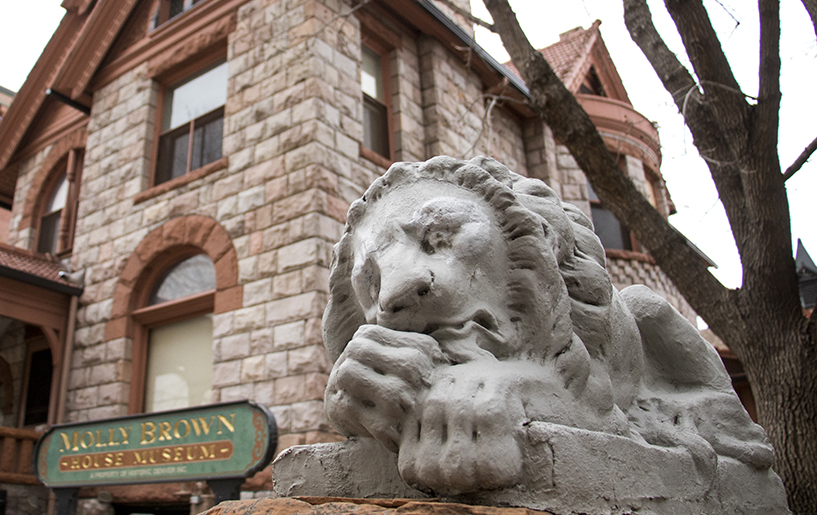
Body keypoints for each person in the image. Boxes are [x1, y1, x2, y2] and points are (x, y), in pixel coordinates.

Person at [323, 156, 774, 497]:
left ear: (538, 238)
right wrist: (352, 399)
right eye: (372, 280)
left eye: (439, 237)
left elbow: (591, 394)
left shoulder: (601, 323)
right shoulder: (377, 325)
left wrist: (513, 386)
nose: (393, 293)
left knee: (645, 305)